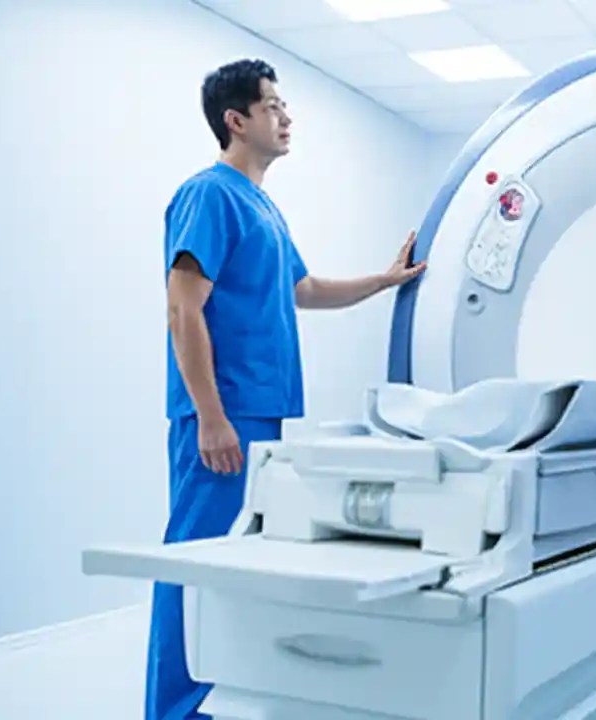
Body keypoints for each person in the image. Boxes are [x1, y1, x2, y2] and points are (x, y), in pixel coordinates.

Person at [147, 58, 426, 720]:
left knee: (237, 563)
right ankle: (175, 711)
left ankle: (217, 698)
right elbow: (183, 309)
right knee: (195, 561)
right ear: (235, 121)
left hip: (261, 411)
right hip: (222, 414)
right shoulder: (208, 195)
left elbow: (304, 291)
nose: (287, 116)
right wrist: (210, 416)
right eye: (273, 106)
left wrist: (384, 282)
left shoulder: (262, 206)